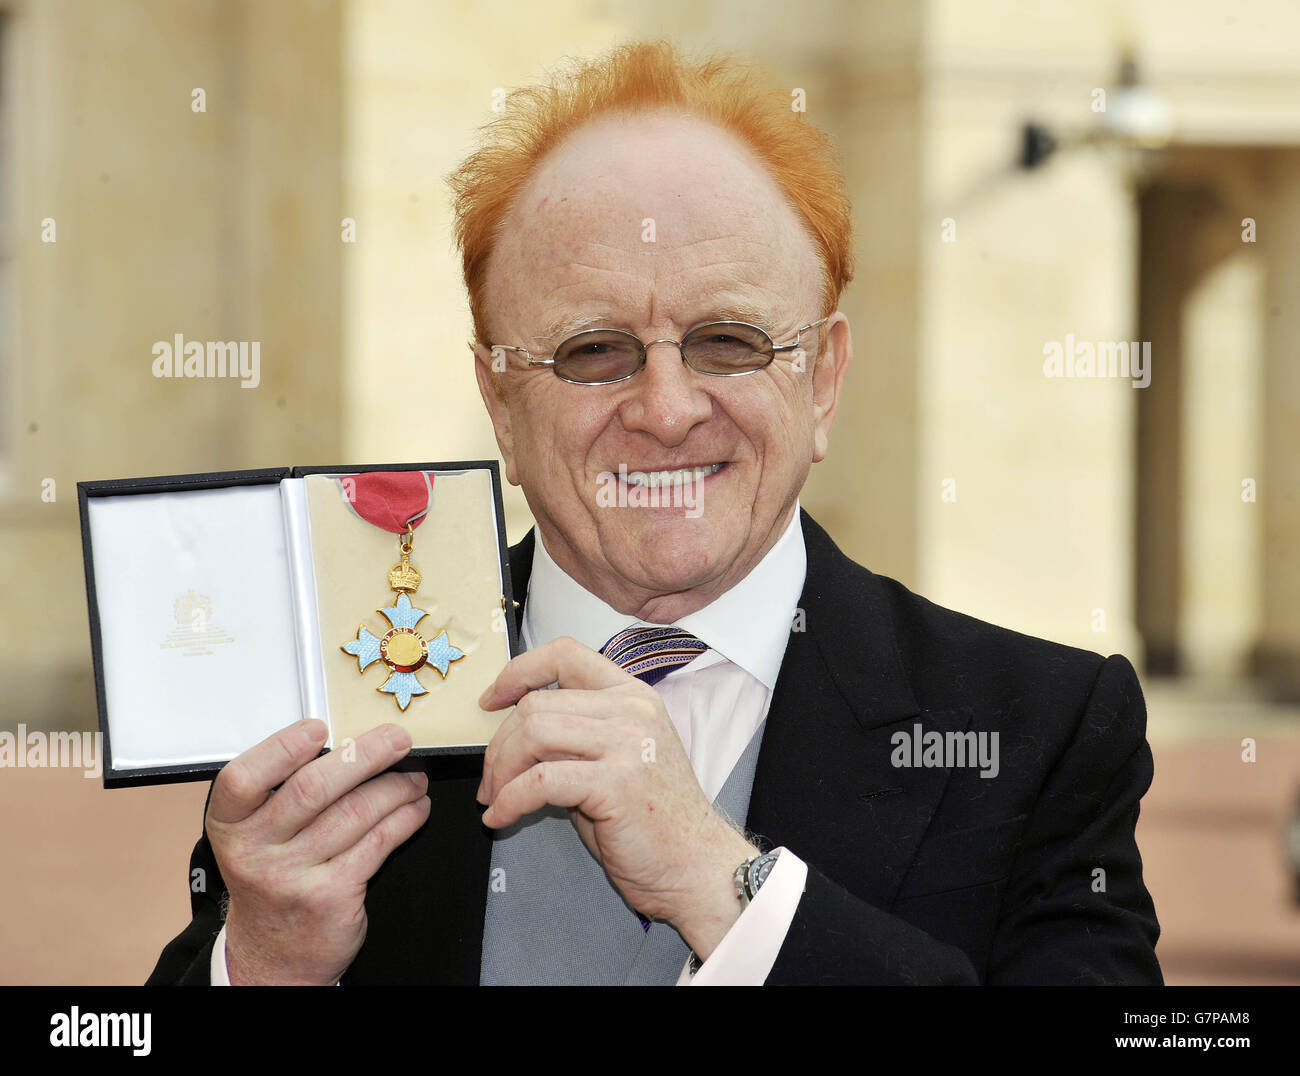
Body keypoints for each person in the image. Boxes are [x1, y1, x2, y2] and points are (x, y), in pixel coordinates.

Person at [149, 40, 1161, 986]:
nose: (668, 408)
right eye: (594, 350)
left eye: (728, 341)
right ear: (500, 400)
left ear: (823, 381)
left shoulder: (1041, 728)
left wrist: (728, 890)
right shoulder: (341, 705)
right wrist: (269, 962)